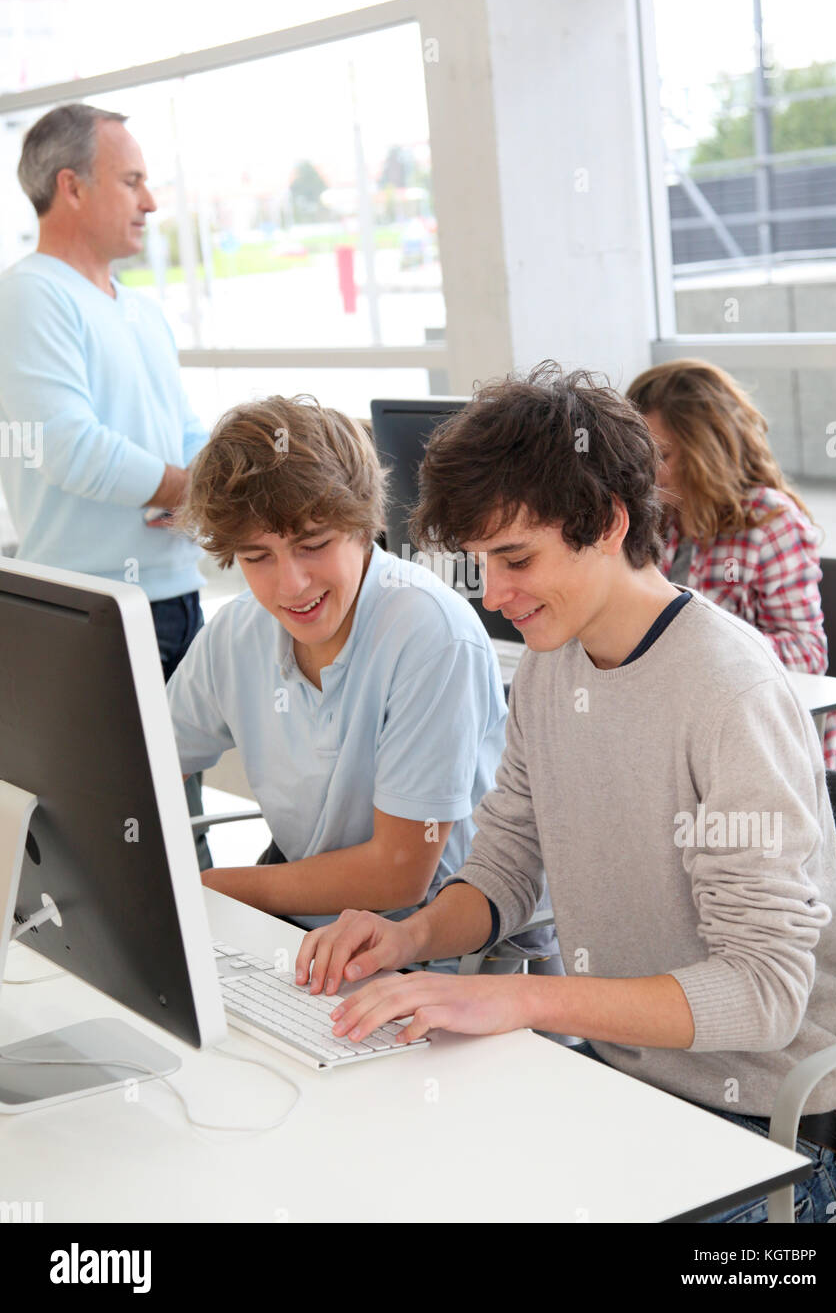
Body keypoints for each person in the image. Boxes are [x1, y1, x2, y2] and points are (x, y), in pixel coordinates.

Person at [293, 362, 836, 1223]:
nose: (494, 596)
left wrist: (517, 998)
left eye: (517, 558)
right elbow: (505, 869)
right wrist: (411, 934)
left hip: (767, 1137)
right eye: (482, 564)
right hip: (621, 1088)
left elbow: (765, 991)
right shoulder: (549, 668)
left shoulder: (730, 692)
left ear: (608, 524)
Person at [167, 393, 555, 973]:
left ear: (362, 524)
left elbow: (398, 873)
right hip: (302, 933)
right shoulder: (236, 632)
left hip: (432, 951)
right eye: (256, 557)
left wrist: (211, 888)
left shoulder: (428, 631)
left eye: (313, 546)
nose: (290, 584)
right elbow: (142, 767)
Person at [0, 102, 211, 862]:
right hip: (100, 613)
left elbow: (186, 436)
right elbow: (67, 447)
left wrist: (201, 485)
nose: (150, 201)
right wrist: (183, 490)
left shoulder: (142, 312)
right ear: (72, 187)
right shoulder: (32, 295)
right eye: (131, 181)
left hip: (176, 602)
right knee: (128, 846)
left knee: (180, 825)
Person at [625, 358, 836, 769]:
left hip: (762, 743)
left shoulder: (770, 522)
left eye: (663, 454)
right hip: (674, 727)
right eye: (639, 456)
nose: (648, 473)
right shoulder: (654, 517)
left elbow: (807, 655)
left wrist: (701, 648)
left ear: (707, 451)